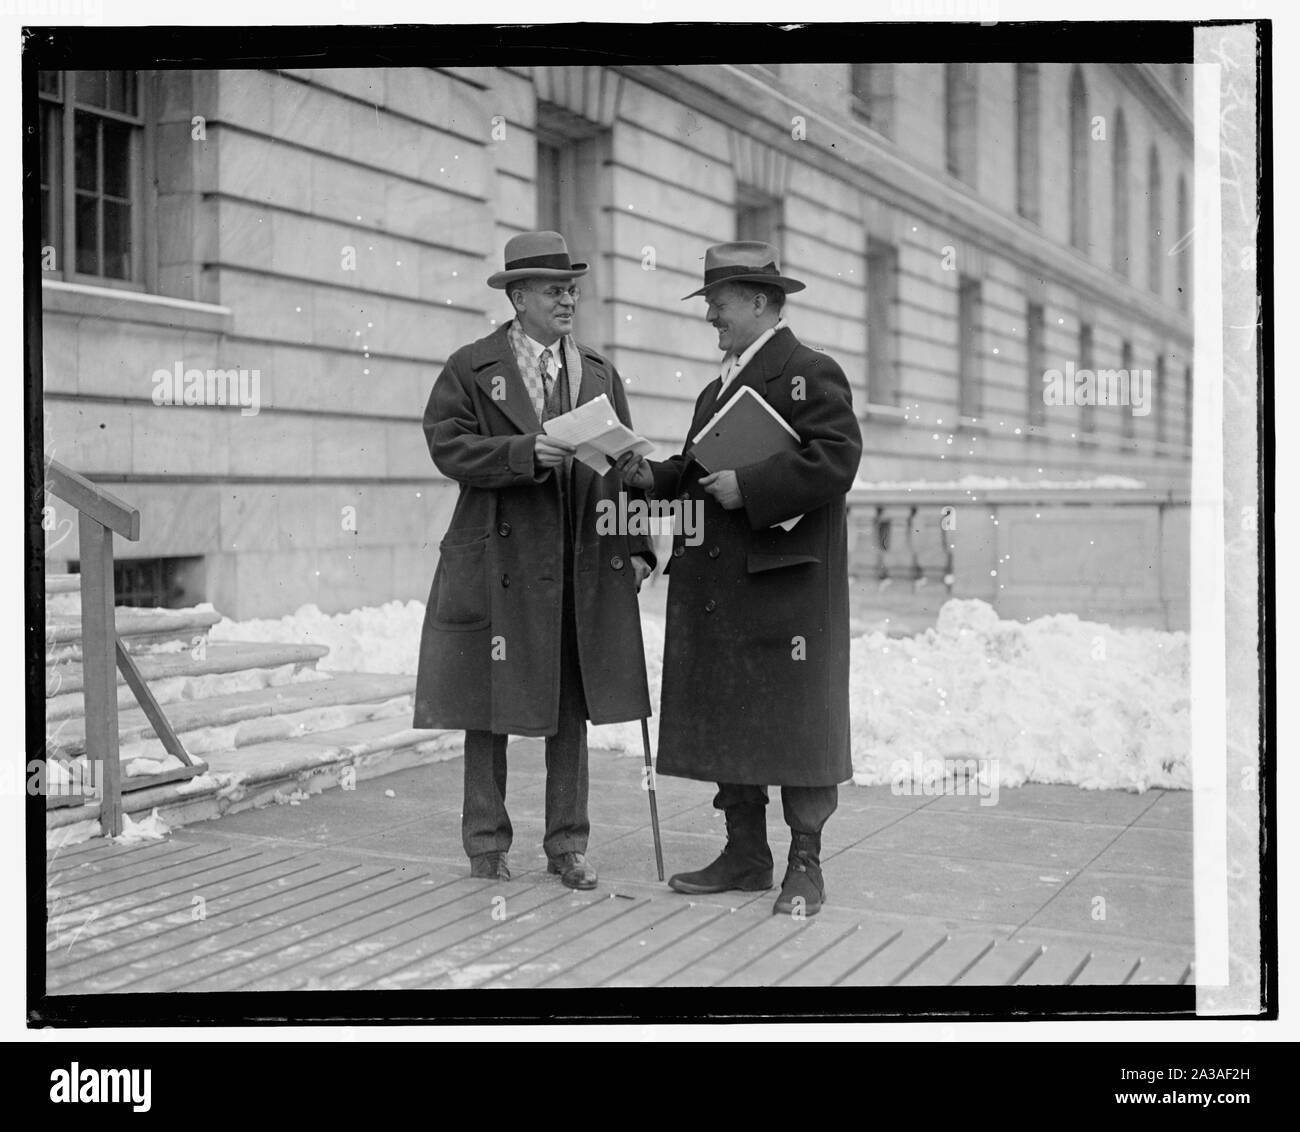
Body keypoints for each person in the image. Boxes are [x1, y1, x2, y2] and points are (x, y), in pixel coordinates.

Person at [615, 240, 862, 916]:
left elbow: (838, 460)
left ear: (758, 301)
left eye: (718, 305)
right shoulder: (716, 387)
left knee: (794, 726)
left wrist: (751, 487)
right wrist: (653, 476)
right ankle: (745, 854)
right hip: (723, 589)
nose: (710, 318)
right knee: (733, 719)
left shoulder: (811, 371)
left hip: (785, 589)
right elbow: (700, 474)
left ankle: (804, 865)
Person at [415, 231, 655, 890]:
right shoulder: (471, 366)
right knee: (489, 707)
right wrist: (523, 454)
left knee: (571, 707)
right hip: (500, 561)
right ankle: (486, 844)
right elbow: (447, 446)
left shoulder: (599, 372)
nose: (568, 298)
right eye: (554, 288)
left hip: (580, 565)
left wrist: (637, 547)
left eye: (572, 287)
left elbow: (627, 471)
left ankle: (568, 844)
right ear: (518, 296)